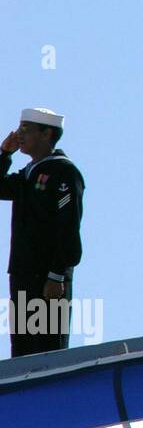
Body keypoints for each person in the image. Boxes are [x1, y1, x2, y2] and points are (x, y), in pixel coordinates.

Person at [0, 109, 84, 357]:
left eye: (26, 129)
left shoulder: (64, 171)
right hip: (23, 272)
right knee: (23, 350)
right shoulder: (28, 174)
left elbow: (69, 226)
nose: (19, 134)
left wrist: (57, 274)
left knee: (47, 349)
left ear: (47, 134)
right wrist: (4, 154)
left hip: (48, 275)